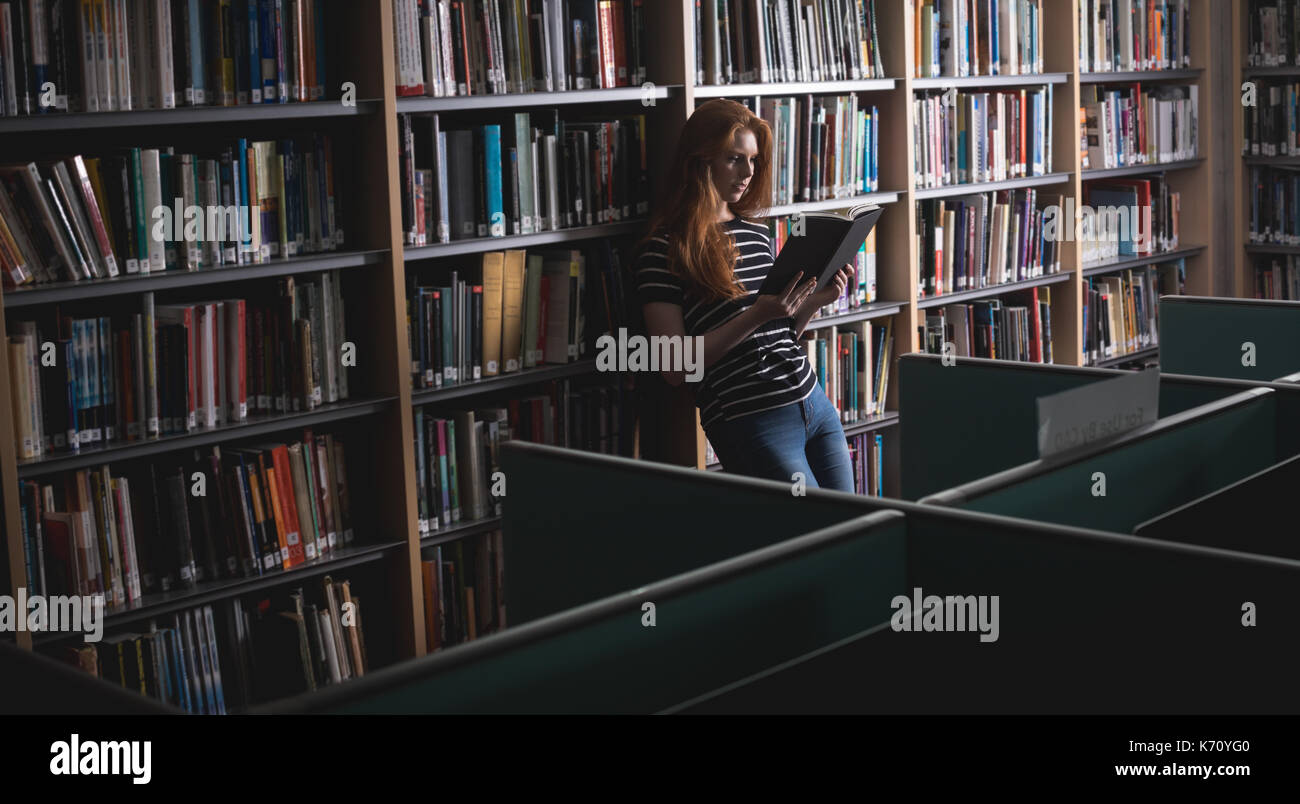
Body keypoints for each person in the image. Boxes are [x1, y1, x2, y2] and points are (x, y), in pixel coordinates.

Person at [634, 98, 854, 492]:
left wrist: (814, 302)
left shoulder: (756, 233)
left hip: (814, 402)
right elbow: (672, 367)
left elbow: (779, 333)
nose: (749, 172)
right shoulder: (665, 250)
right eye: (735, 159)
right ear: (700, 161)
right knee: (812, 539)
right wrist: (755, 315)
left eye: (753, 160)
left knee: (860, 527)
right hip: (752, 419)